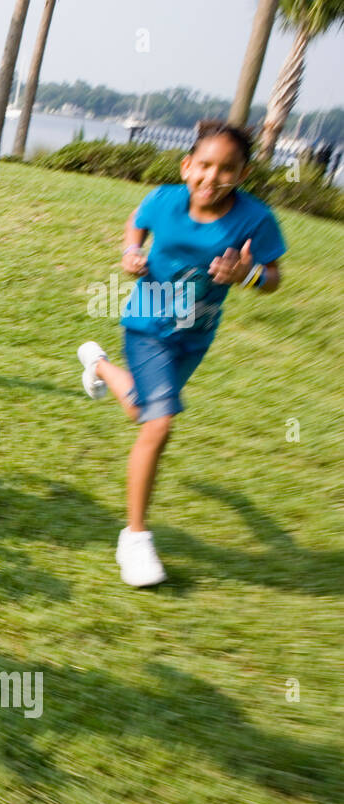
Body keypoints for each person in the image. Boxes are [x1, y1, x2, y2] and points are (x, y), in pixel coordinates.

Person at [77, 120, 285, 587]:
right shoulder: (165, 200)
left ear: (243, 173)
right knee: (159, 422)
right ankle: (134, 539)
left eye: (226, 169)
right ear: (186, 165)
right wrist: (132, 251)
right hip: (148, 325)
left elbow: (274, 278)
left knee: (139, 410)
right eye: (204, 166)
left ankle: (99, 364)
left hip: (194, 337)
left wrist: (247, 276)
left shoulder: (254, 219)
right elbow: (138, 221)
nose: (212, 178)